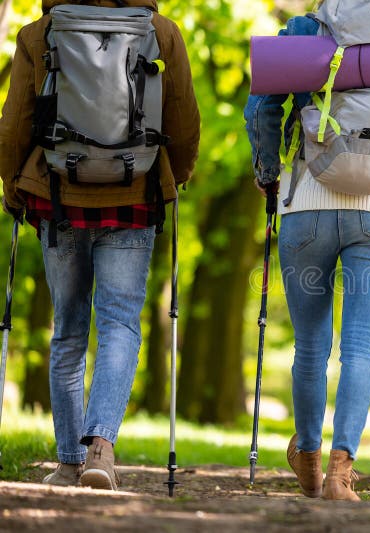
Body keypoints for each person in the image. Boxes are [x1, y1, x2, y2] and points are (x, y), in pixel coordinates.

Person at [244, 0, 370, 501]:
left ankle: (307, 457)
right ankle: (341, 473)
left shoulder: (302, 30)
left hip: (306, 204)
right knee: (360, 347)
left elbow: (262, 108)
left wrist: (268, 172)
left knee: (311, 344)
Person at [0, 0, 200, 490]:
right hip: (134, 197)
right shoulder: (161, 32)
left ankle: (69, 461)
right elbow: (185, 118)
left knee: (68, 329)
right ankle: (101, 451)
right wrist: (178, 176)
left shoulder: (39, 33)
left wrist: (13, 185)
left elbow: (14, 124)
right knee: (120, 324)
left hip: (57, 196)